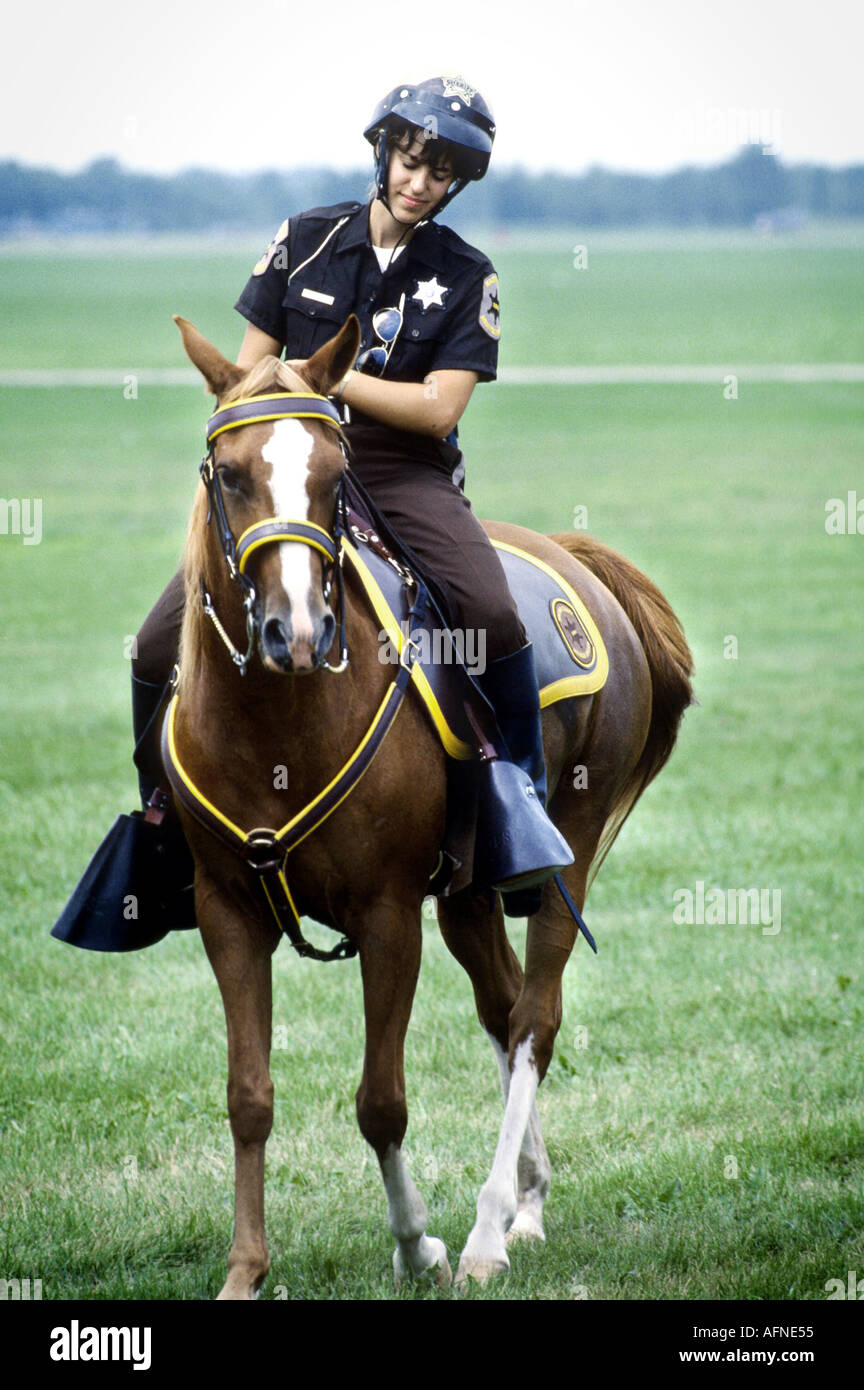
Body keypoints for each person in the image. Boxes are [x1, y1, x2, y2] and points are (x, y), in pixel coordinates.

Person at [121, 77, 571, 950]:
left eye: (441, 173)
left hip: (403, 474)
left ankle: (519, 808)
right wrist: (289, 394)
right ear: (384, 152)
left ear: (456, 185)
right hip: (283, 470)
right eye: (411, 160)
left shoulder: (468, 274)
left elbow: (441, 410)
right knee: (149, 644)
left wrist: (323, 380)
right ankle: (160, 822)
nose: (420, 182)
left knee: (490, 616)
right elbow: (247, 374)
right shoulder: (302, 239)